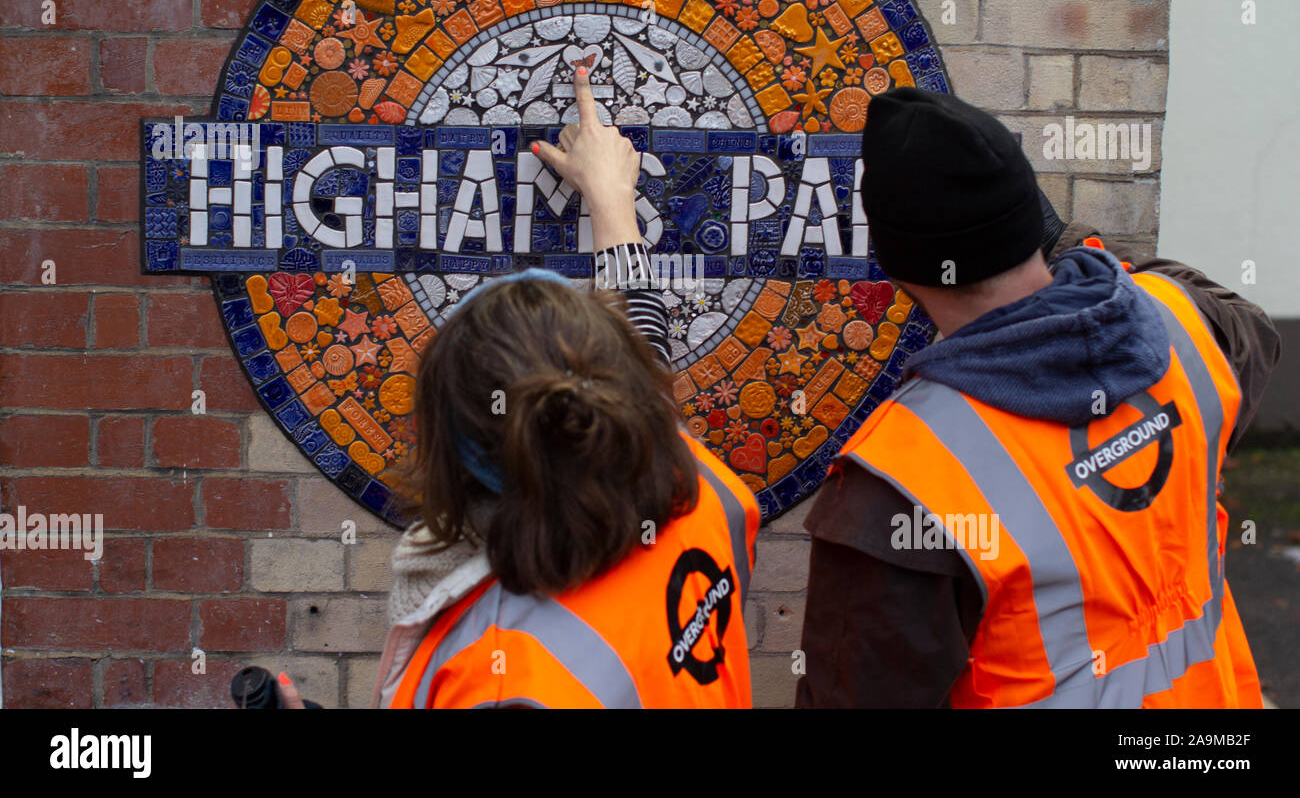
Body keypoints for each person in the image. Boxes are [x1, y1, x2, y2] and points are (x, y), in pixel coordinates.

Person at [797, 88, 1279, 708]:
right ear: (1032, 218)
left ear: (896, 272)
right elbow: (1243, 325)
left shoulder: (902, 479)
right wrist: (1061, 243)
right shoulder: (1183, 324)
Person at [363, 68, 760, 708]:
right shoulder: (692, 481)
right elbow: (646, 357)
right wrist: (611, 202)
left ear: (455, 444)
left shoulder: (502, 676)